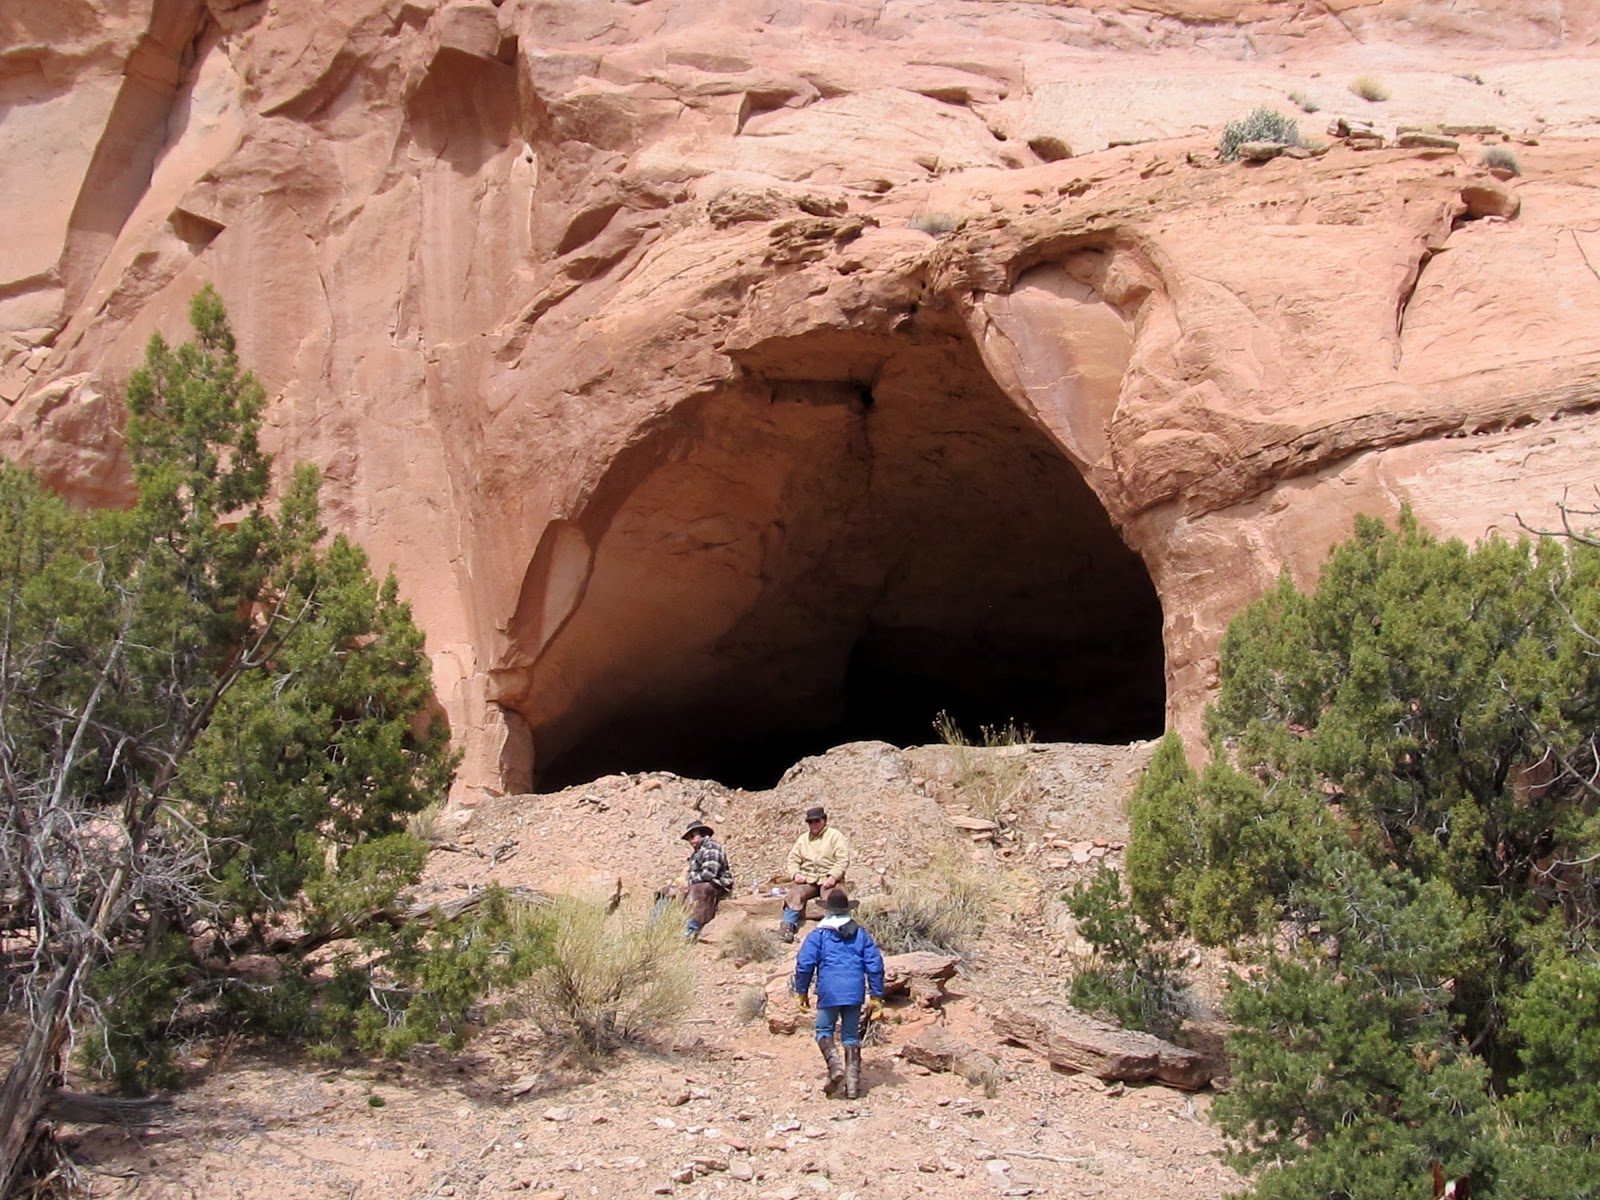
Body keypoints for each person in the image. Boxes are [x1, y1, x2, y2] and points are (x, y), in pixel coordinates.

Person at [793, 888, 885, 1100]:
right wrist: (877, 996)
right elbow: (875, 965)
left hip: (829, 991)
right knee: (851, 1036)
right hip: (854, 992)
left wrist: (802, 991)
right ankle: (853, 1085)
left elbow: (805, 964)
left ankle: (835, 1068)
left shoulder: (819, 935)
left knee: (824, 1030)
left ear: (828, 911)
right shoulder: (861, 934)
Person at [778, 806, 850, 944]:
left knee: (832, 897)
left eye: (816, 821)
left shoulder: (835, 836)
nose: (813, 824)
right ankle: (787, 927)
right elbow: (792, 859)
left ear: (824, 820)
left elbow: (843, 859)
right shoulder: (803, 839)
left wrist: (833, 876)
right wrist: (796, 874)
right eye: (810, 822)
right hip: (808, 879)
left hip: (829, 878)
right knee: (795, 893)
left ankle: (835, 929)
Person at [656, 820, 733, 940]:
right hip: (698, 882)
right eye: (688, 838)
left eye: (693, 836)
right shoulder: (696, 853)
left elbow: (710, 873)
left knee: (697, 889)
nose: (691, 840)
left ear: (702, 834)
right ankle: (655, 926)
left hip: (717, 884)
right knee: (666, 891)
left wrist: (689, 881)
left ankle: (691, 929)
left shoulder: (712, 847)